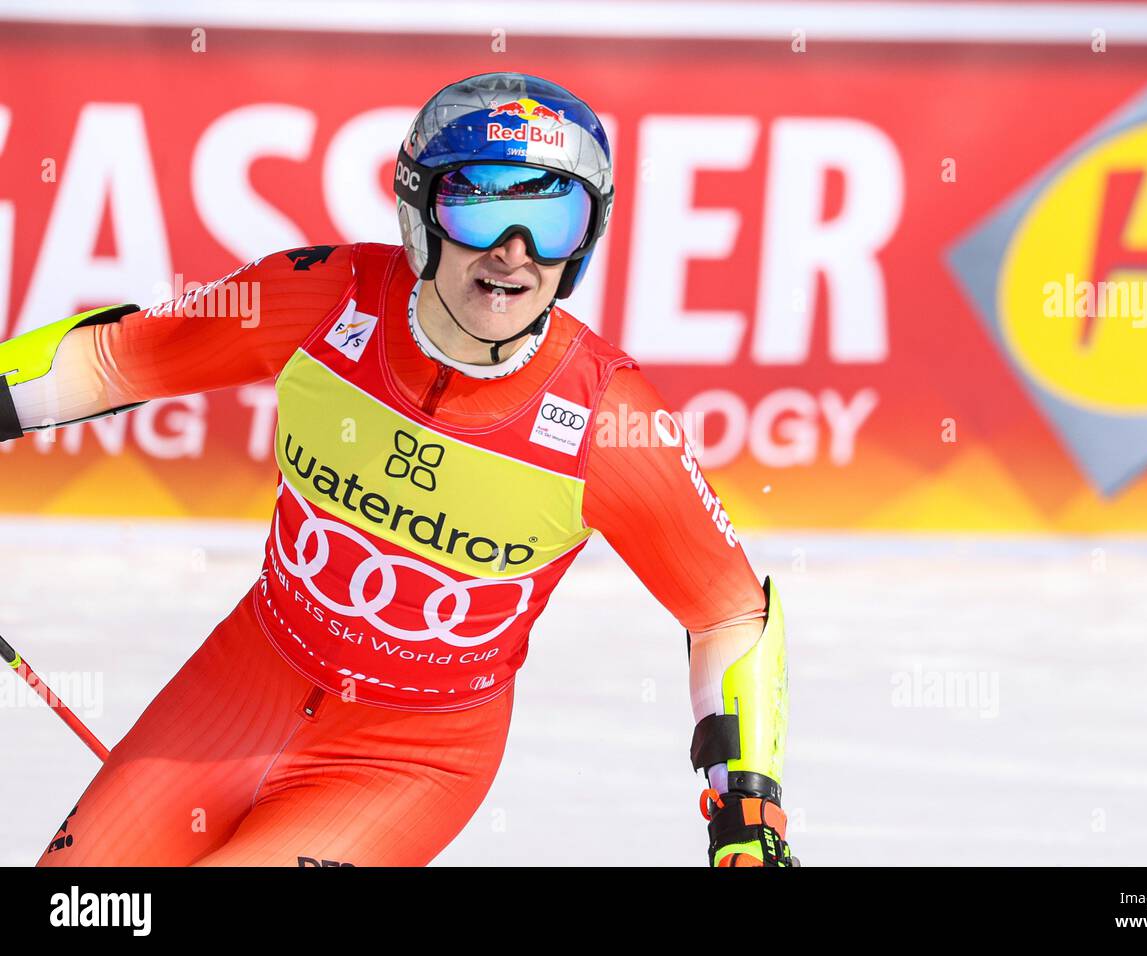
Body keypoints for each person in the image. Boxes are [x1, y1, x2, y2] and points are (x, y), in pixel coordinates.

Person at [0, 72, 793, 867]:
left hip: (407, 762)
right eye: (479, 204)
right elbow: (110, 362)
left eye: (554, 216)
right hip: (237, 689)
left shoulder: (609, 420)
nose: (515, 251)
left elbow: (726, 613)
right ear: (420, 213)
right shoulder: (321, 298)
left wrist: (746, 813)